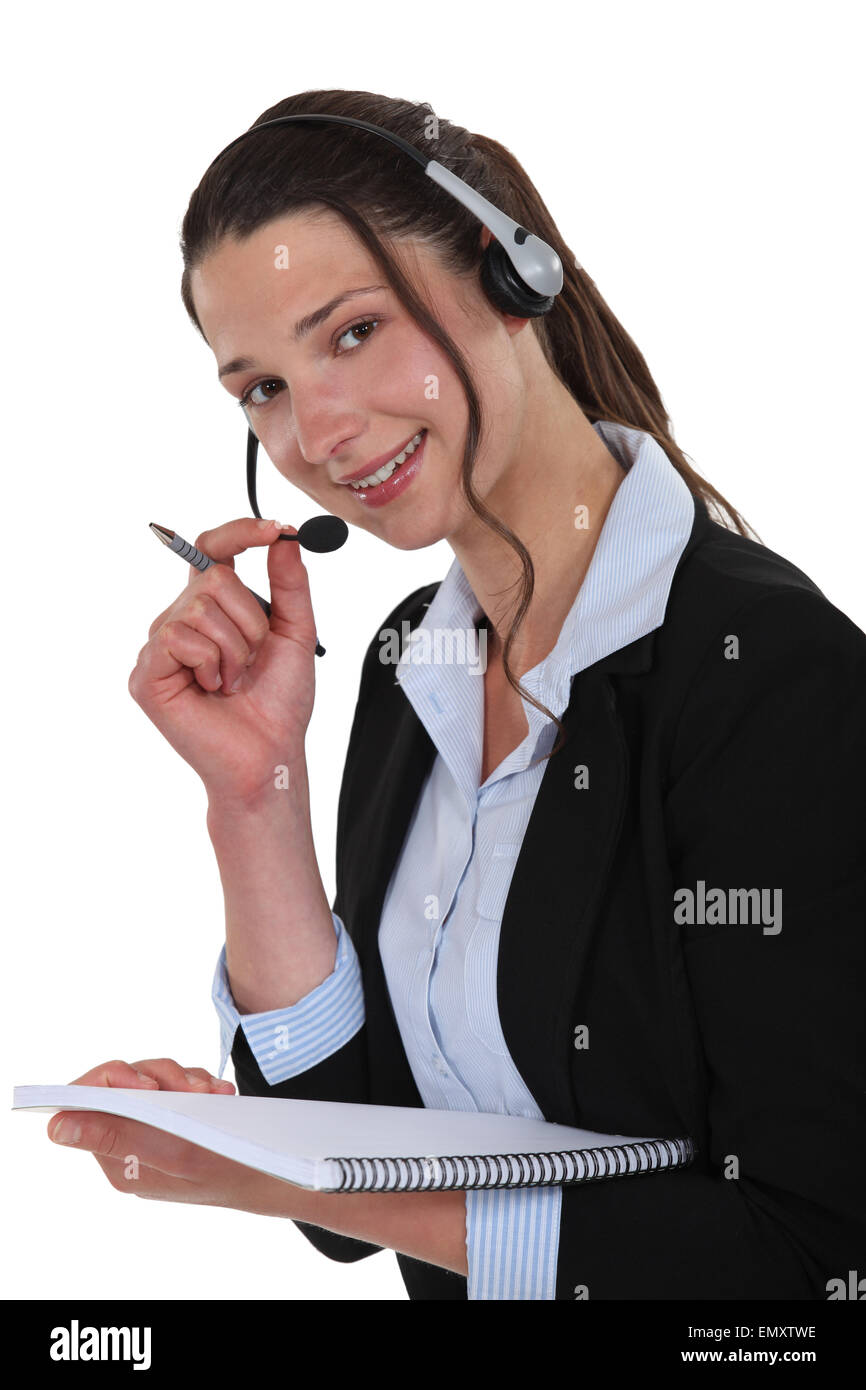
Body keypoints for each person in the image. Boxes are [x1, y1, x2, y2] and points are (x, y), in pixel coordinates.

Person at [46, 90, 866, 1301]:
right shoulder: (409, 666)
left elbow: (809, 1263)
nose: (316, 429)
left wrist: (289, 1178)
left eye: (350, 333)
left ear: (509, 275)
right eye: (260, 388)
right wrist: (254, 788)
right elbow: (359, 1182)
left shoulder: (764, 677)